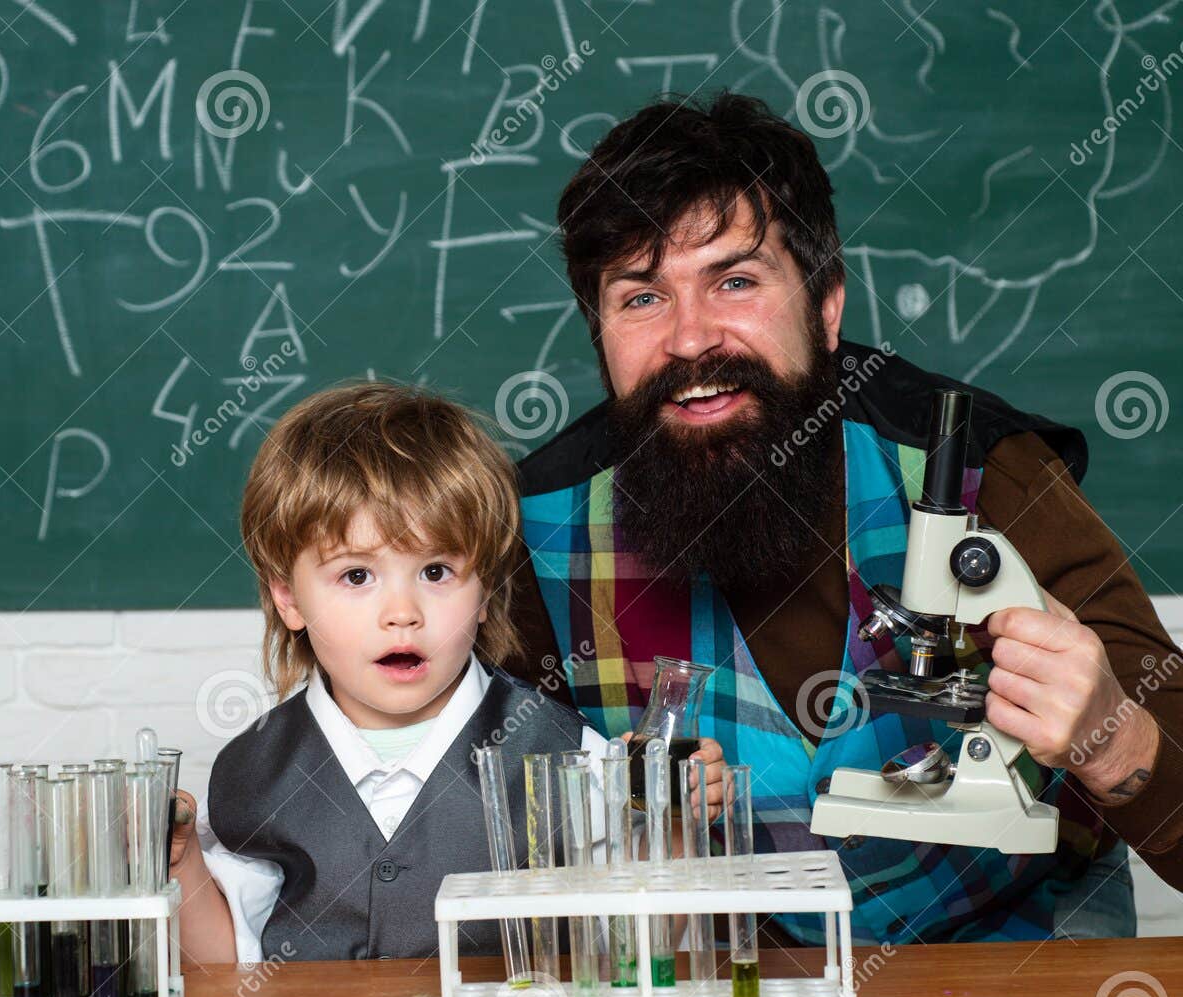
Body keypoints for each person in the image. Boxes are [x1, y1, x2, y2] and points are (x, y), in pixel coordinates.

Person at [507, 91, 1183, 945]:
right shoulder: (537, 527)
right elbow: (483, 826)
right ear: (599, 333)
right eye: (641, 299)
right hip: (725, 975)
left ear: (826, 307)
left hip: (1015, 946)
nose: (688, 340)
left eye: (736, 281)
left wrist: (1112, 747)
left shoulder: (992, 469)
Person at [168, 383, 725, 964]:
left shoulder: (566, 753)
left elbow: (635, 946)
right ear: (288, 598)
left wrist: (673, 824)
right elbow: (225, 964)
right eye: (357, 576)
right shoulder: (253, 770)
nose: (403, 613)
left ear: (484, 590)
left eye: (436, 571)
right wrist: (180, 861)